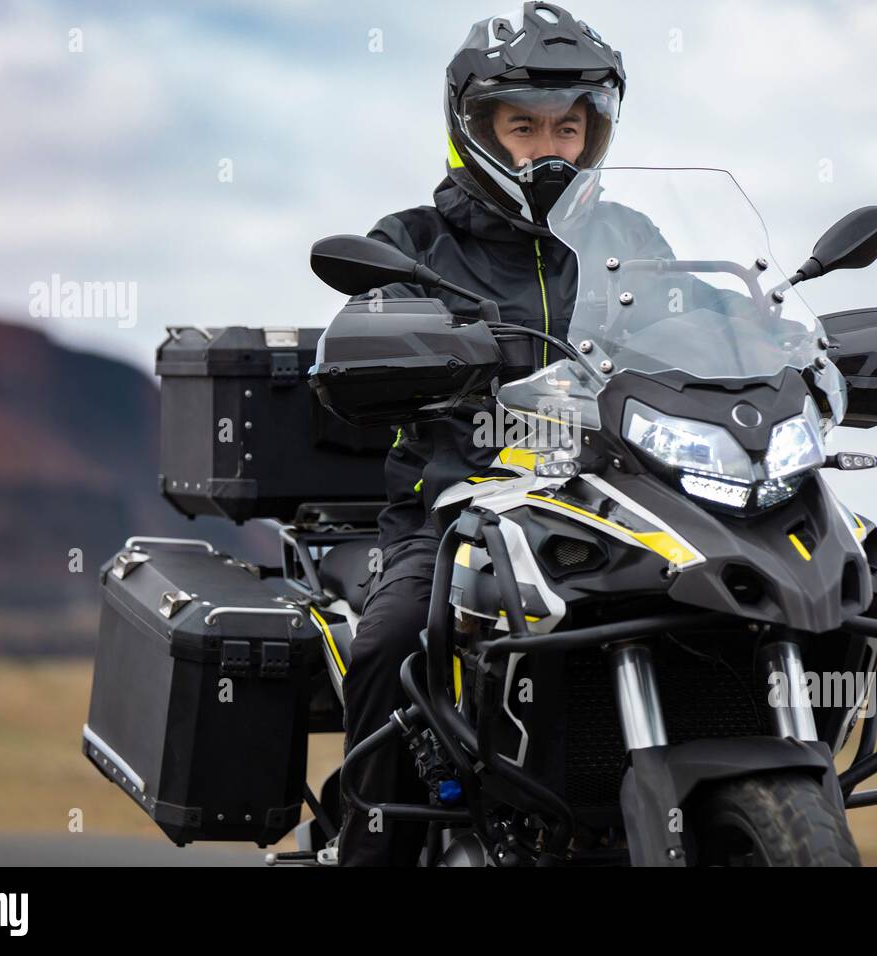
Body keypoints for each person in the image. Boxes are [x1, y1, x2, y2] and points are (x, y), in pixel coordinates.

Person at [334, 2, 627, 867]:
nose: (549, 146)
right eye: (525, 124)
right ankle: (375, 853)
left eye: (568, 127)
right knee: (395, 642)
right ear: (480, 129)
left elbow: (711, 326)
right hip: (453, 511)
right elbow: (358, 332)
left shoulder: (630, 242)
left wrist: (779, 348)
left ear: (595, 132)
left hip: (609, 506)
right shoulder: (413, 244)